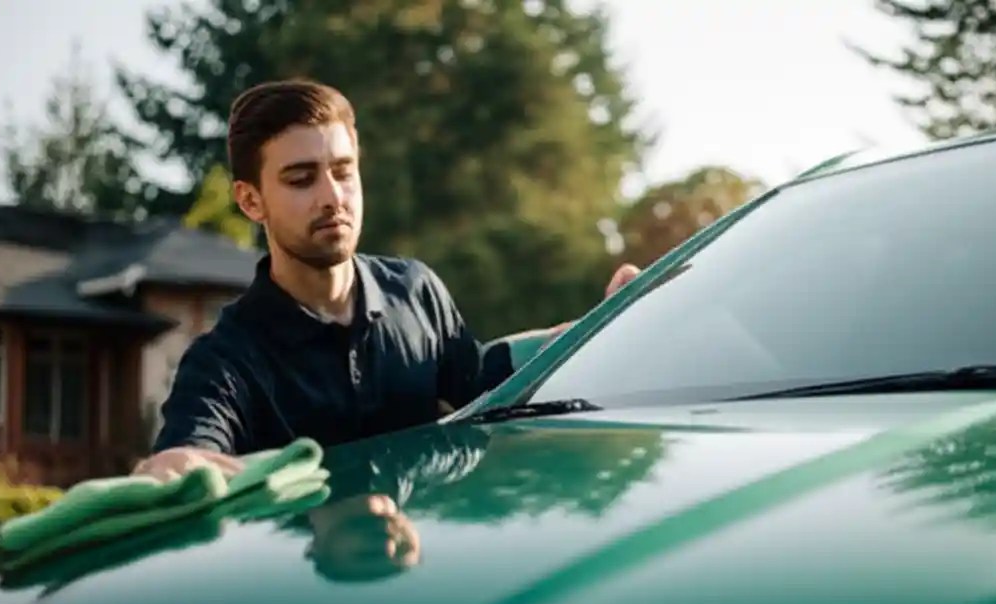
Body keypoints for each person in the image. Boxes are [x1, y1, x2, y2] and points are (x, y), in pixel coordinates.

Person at [134, 78, 639, 482]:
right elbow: (189, 459)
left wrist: (601, 329)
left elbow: (483, 377)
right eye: (301, 179)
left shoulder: (415, 290)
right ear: (250, 200)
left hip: (422, 570)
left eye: (343, 171)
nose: (332, 197)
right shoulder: (224, 361)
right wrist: (174, 469)